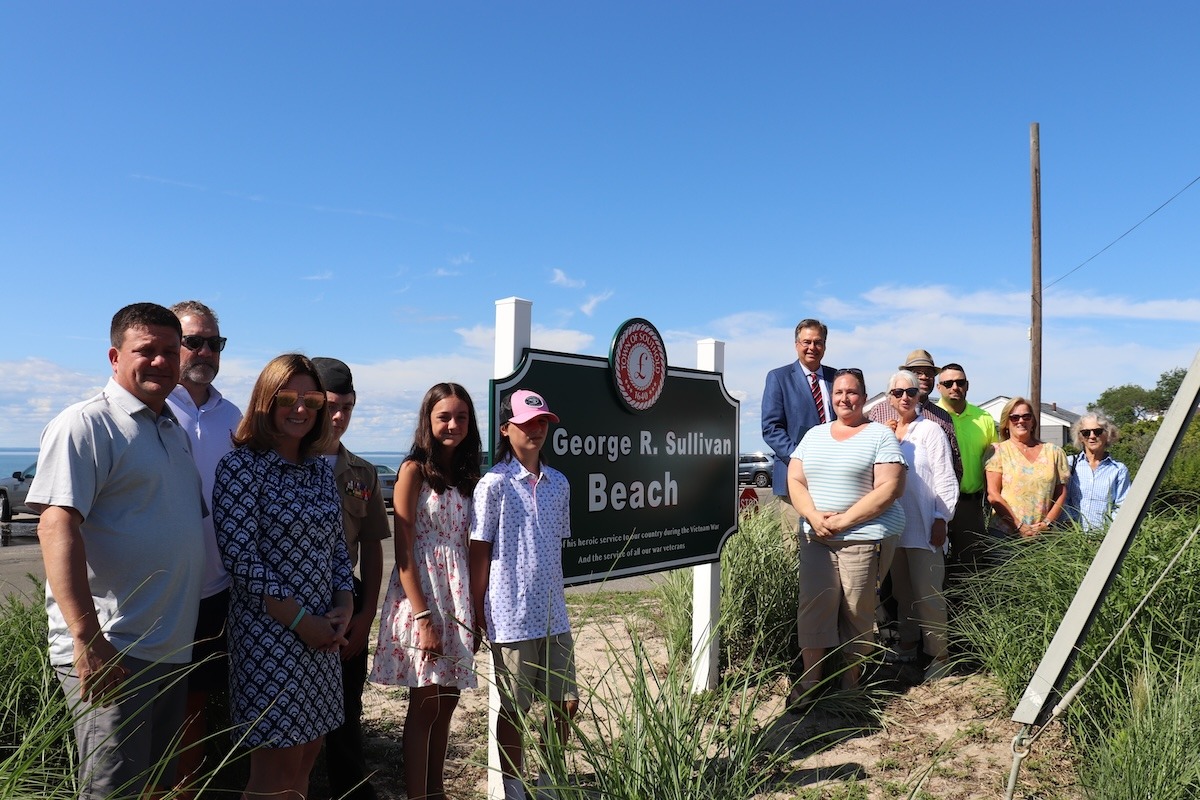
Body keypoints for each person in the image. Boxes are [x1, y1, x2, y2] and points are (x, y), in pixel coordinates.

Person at [27, 302, 206, 799]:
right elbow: (56, 526)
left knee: (155, 787)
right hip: (114, 649)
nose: (161, 362)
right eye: (146, 350)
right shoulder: (85, 424)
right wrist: (87, 637)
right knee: (111, 791)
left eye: (171, 352)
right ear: (114, 356)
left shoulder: (170, 427)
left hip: (168, 647)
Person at [213, 353, 354, 800]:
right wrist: (301, 623)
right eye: (287, 398)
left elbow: (336, 547)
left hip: (323, 636)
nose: (300, 409)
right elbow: (242, 559)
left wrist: (345, 605)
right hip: (269, 637)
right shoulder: (240, 468)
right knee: (274, 771)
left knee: (308, 756)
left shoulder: (317, 470)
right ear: (265, 401)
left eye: (310, 399)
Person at [372, 382, 482, 800]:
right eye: (444, 417)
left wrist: (474, 609)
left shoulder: (469, 474)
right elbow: (402, 553)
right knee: (426, 705)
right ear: (429, 421)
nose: (453, 424)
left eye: (461, 417)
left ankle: (437, 791)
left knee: (449, 701)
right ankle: (418, 794)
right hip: (423, 594)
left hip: (457, 596)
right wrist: (423, 618)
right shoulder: (412, 470)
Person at [470, 389, 578, 800]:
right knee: (515, 709)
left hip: (554, 613)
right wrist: (479, 612)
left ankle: (550, 783)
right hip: (510, 615)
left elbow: (554, 547)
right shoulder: (492, 484)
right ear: (506, 428)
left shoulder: (560, 484)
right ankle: (513, 789)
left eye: (541, 423)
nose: (535, 430)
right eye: (526, 423)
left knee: (564, 703)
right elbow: (479, 550)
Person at [787, 368, 906, 696]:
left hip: (862, 537)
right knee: (814, 605)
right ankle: (812, 680)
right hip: (816, 537)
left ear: (864, 398)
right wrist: (812, 515)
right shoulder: (814, 435)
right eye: (839, 392)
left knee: (856, 608)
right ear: (831, 397)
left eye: (852, 392)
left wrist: (844, 521)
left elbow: (889, 488)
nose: (844, 398)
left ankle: (849, 681)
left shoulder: (879, 435)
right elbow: (795, 480)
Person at [166, 300, 243, 796]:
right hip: (159, 594)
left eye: (214, 342)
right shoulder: (153, 407)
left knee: (193, 710)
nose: (205, 351)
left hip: (214, 590)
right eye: (194, 341)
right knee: (147, 715)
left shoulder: (232, 415)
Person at [312, 357, 391, 800]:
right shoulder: (282, 464)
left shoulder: (359, 472)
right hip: (292, 604)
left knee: (346, 710)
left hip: (347, 605)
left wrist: (366, 616)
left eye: (347, 406)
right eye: (330, 405)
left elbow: (376, 545)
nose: (339, 416)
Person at [881, 371, 958, 681]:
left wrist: (942, 518)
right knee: (902, 594)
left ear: (918, 396)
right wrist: (885, 437)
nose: (904, 397)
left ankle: (940, 656)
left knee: (929, 596)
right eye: (898, 392)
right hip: (893, 529)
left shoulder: (931, 431)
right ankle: (909, 646)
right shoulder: (881, 432)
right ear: (889, 397)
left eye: (910, 391)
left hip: (925, 526)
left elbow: (945, 477)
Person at [762, 319, 838, 535]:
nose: (812, 347)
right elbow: (771, 428)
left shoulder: (837, 378)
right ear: (796, 344)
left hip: (834, 479)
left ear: (825, 345)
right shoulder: (779, 378)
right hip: (795, 482)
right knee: (794, 550)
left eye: (818, 342)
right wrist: (800, 459)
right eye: (806, 342)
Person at [935, 363, 998, 571]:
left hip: (970, 505)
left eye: (960, 382)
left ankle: (967, 605)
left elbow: (995, 461)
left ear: (967, 385)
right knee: (935, 565)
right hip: (936, 505)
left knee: (971, 566)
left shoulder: (984, 419)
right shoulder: (931, 417)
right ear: (939, 388)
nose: (955, 387)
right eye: (948, 383)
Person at [868, 349, 962, 480]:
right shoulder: (879, 411)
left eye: (929, 374)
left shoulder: (942, 418)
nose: (924, 377)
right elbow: (865, 455)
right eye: (918, 373)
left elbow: (955, 465)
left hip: (925, 496)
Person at [985, 397, 1069, 540]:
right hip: (1004, 534)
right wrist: (1018, 525)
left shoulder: (1054, 452)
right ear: (1006, 423)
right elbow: (993, 494)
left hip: (1043, 535)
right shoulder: (998, 451)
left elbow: (1061, 493)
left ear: (1033, 422)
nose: (1021, 421)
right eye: (1014, 417)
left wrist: (1047, 524)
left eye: (1026, 416)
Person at [1064, 412, 1131, 532]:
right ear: (1080, 437)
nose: (1092, 436)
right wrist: (1072, 526)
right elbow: (1063, 500)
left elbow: (1122, 506)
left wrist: (1107, 533)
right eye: (1086, 433)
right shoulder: (1070, 464)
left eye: (1098, 431)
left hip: (1104, 538)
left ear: (1108, 434)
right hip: (1073, 538)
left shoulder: (1118, 470)